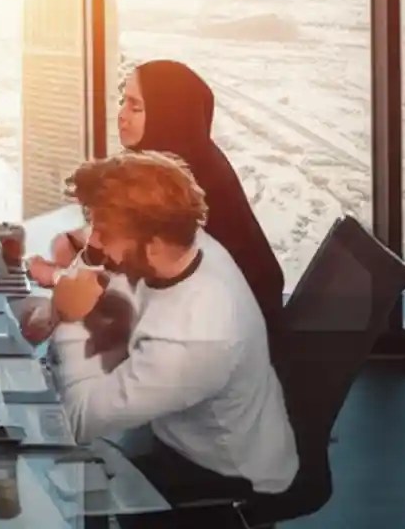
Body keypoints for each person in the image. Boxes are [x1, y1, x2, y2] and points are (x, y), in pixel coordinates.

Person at [40, 153, 298, 522]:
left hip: (217, 476)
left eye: (106, 233)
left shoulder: (197, 339)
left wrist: (70, 319)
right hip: (179, 432)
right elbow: (122, 281)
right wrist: (63, 296)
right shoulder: (182, 242)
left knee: (44, 472)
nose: (94, 241)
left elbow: (78, 421)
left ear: (154, 244)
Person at [30, 60, 285, 338]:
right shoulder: (193, 157)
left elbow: (128, 290)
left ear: (169, 114)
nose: (122, 115)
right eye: (123, 102)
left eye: (136, 107)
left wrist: (55, 277)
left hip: (216, 337)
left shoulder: (175, 184)